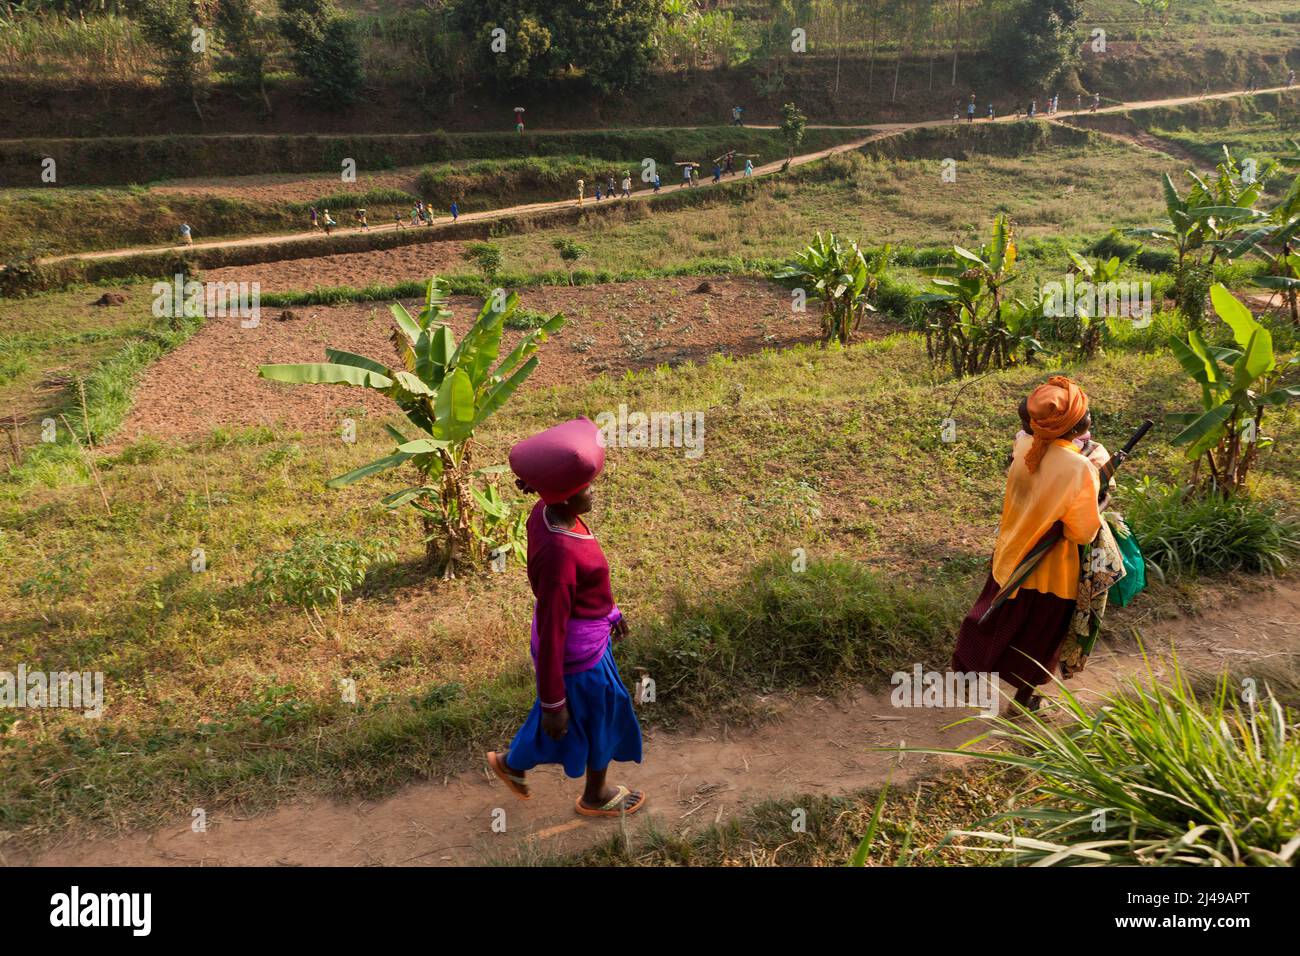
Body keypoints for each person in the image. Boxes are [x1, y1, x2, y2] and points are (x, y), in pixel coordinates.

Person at [486, 417, 645, 817]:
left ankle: (512, 763)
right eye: (585, 488)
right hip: (577, 654)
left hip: (585, 634)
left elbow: (586, 589)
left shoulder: (548, 511)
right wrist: (553, 699)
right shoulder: (561, 555)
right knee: (601, 715)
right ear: (565, 496)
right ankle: (596, 795)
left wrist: (610, 611)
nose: (592, 492)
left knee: (586, 714)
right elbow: (555, 629)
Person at [953, 377, 1103, 715]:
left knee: (991, 620)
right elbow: (1082, 533)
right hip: (1048, 569)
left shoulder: (1024, 448)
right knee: (1038, 639)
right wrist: (1101, 501)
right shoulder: (1080, 468)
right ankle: (1022, 703)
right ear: (1074, 425)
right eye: (1086, 414)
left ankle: (967, 674)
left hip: (1009, 558)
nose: (1090, 419)